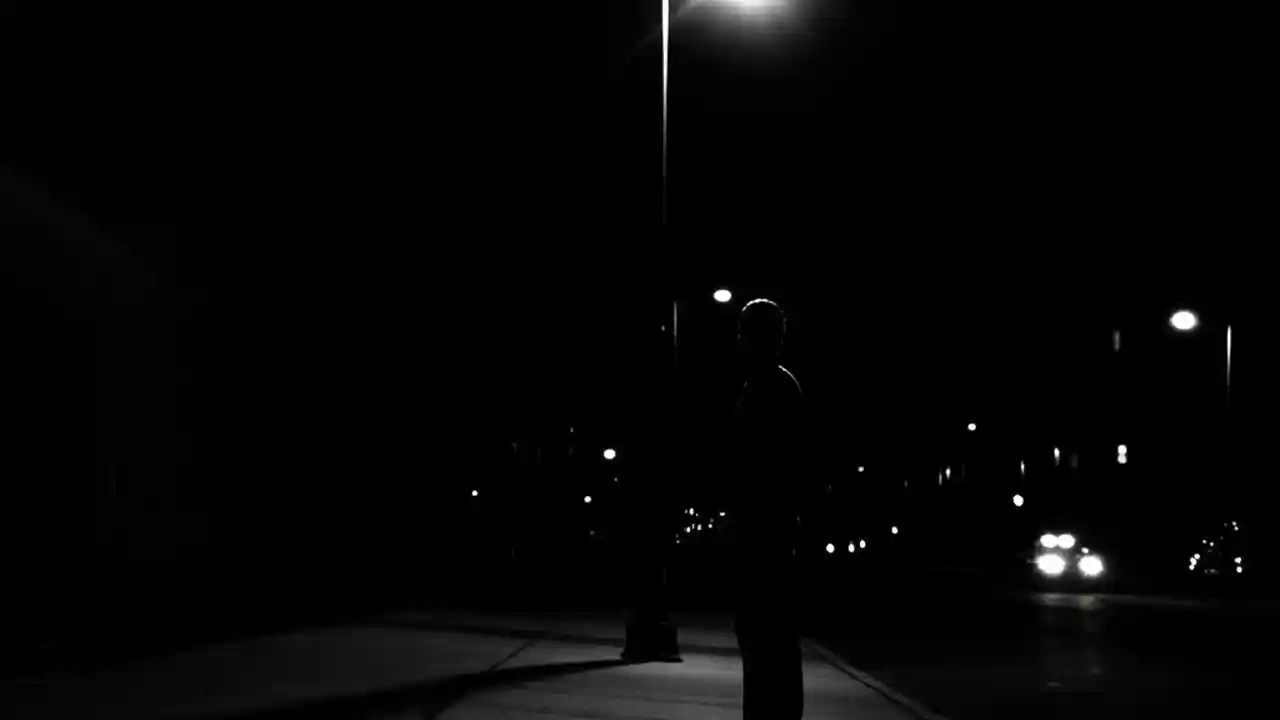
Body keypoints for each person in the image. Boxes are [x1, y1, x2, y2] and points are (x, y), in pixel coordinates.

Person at [723, 298, 809, 720]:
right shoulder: (774, 385)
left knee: (764, 645)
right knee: (767, 646)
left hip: (764, 534)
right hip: (768, 532)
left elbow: (761, 468)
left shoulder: (768, 388)